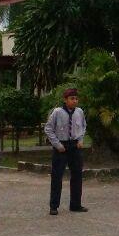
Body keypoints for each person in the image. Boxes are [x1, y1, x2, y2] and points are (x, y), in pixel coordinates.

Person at [44, 88, 88, 216]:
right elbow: (48, 129)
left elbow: (83, 126)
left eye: (76, 98)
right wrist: (57, 144)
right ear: (65, 99)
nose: (74, 101)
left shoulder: (79, 112)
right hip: (61, 147)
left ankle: (75, 204)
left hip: (75, 146)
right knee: (57, 177)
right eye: (71, 98)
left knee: (77, 175)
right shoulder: (57, 112)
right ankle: (54, 206)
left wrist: (80, 139)